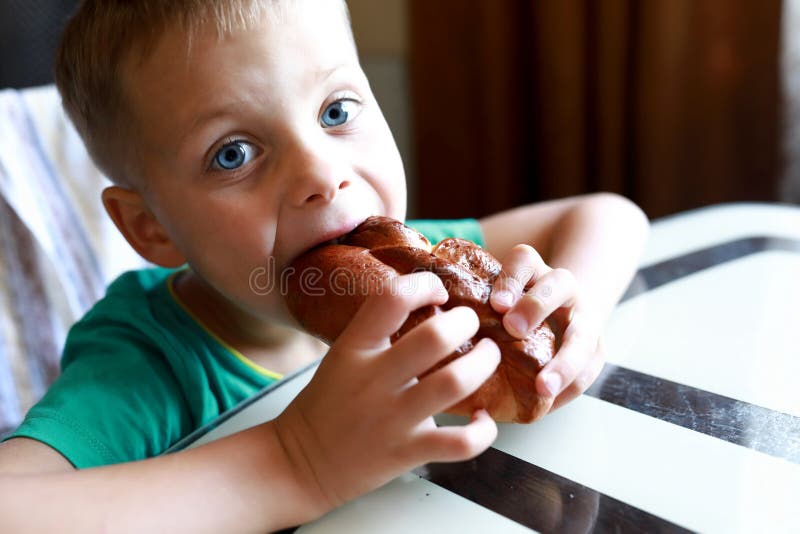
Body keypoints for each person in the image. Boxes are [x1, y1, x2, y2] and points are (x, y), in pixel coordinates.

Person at [0, 0, 649, 531]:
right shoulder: (148, 362)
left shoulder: (404, 265)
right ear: (151, 228)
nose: (322, 174)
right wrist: (295, 461)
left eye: (335, 111)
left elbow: (607, 215)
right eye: (233, 154)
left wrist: (572, 315)